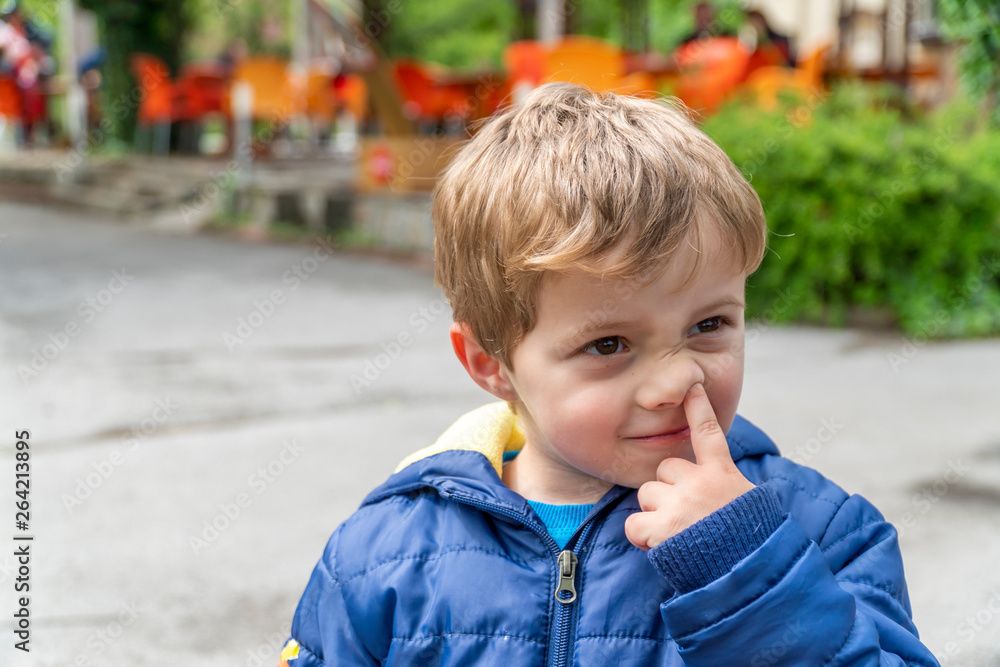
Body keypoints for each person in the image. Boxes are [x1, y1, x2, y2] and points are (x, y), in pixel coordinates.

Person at [277, 83, 939, 665]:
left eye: (708, 324)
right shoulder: (384, 558)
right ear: (489, 362)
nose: (678, 381)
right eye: (609, 343)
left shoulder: (819, 532)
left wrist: (747, 574)